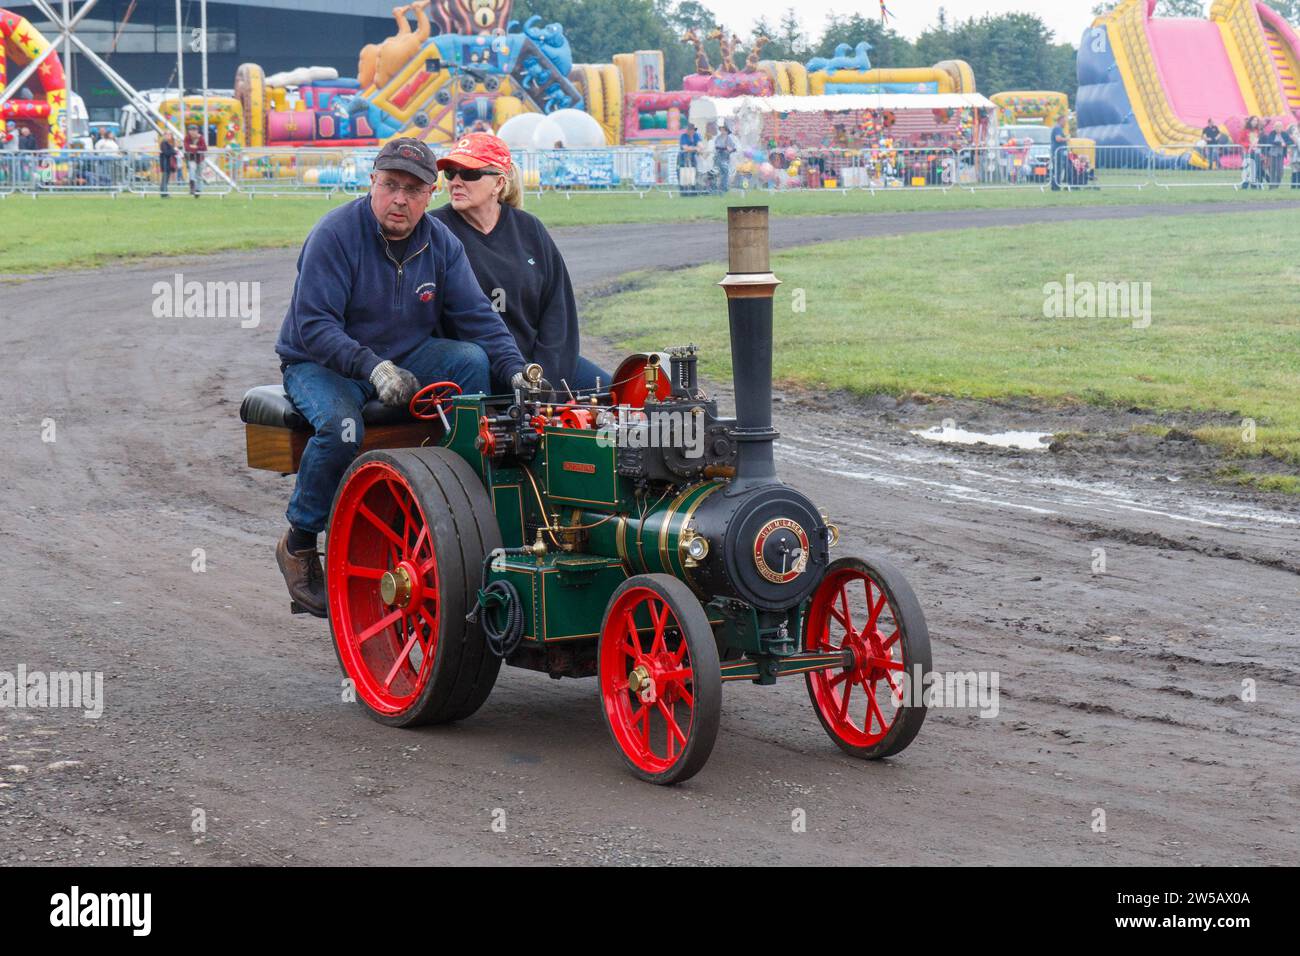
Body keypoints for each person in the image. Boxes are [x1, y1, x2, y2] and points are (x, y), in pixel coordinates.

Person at [273, 137, 529, 616]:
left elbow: (478, 317)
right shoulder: (334, 235)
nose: (399, 199)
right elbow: (314, 326)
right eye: (390, 185)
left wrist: (515, 371)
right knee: (338, 426)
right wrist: (372, 367)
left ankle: (462, 506)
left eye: (413, 190)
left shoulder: (441, 242)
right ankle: (301, 541)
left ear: (429, 194)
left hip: (403, 355)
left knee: (471, 360)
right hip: (320, 362)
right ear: (372, 183)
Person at [430, 132, 609, 395]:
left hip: (538, 367)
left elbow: (557, 311)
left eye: (469, 174)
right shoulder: (435, 230)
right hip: (473, 370)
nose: (455, 182)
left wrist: (543, 378)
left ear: (499, 183)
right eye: (450, 173)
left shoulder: (529, 228)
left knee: (619, 396)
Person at [713, 121, 738, 194]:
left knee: (725, 172)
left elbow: (733, 148)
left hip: (726, 157)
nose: (722, 131)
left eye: (724, 129)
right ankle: (722, 187)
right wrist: (726, 148)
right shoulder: (718, 138)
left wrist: (731, 149)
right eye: (721, 129)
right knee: (722, 172)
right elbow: (717, 147)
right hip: (719, 156)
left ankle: (723, 187)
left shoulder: (729, 138)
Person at [677, 122, 701, 194]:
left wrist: (694, 148)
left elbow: (701, 146)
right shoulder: (683, 136)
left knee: (692, 174)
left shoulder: (696, 136)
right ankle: (684, 192)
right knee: (684, 174)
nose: (689, 131)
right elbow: (685, 148)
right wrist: (695, 148)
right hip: (683, 159)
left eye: (691, 130)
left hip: (692, 158)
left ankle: (693, 191)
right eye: (688, 130)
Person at [183, 125, 206, 196]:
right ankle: (192, 186)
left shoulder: (201, 137)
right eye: (191, 130)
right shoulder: (187, 138)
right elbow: (186, 148)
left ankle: (198, 190)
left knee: (199, 174)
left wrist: (194, 147)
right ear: (189, 131)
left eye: (194, 130)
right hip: (191, 158)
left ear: (197, 131)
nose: (192, 132)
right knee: (192, 171)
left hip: (200, 158)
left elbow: (204, 148)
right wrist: (196, 148)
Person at [1050, 115, 1069, 191]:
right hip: (1057, 152)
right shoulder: (1058, 128)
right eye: (1064, 121)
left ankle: (1056, 185)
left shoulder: (1058, 128)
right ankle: (1056, 186)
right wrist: (1066, 139)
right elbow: (1058, 139)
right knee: (1057, 169)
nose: (1065, 123)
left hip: (1058, 151)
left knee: (1057, 169)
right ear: (1060, 120)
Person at [159, 132, 178, 198]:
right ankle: (164, 193)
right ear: (164, 135)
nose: (169, 136)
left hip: (167, 163)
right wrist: (174, 151)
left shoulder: (167, 143)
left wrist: (173, 151)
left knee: (166, 179)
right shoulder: (164, 142)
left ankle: (164, 192)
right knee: (165, 178)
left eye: (170, 134)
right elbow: (166, 152)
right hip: (165, 162)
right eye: (167, 134)